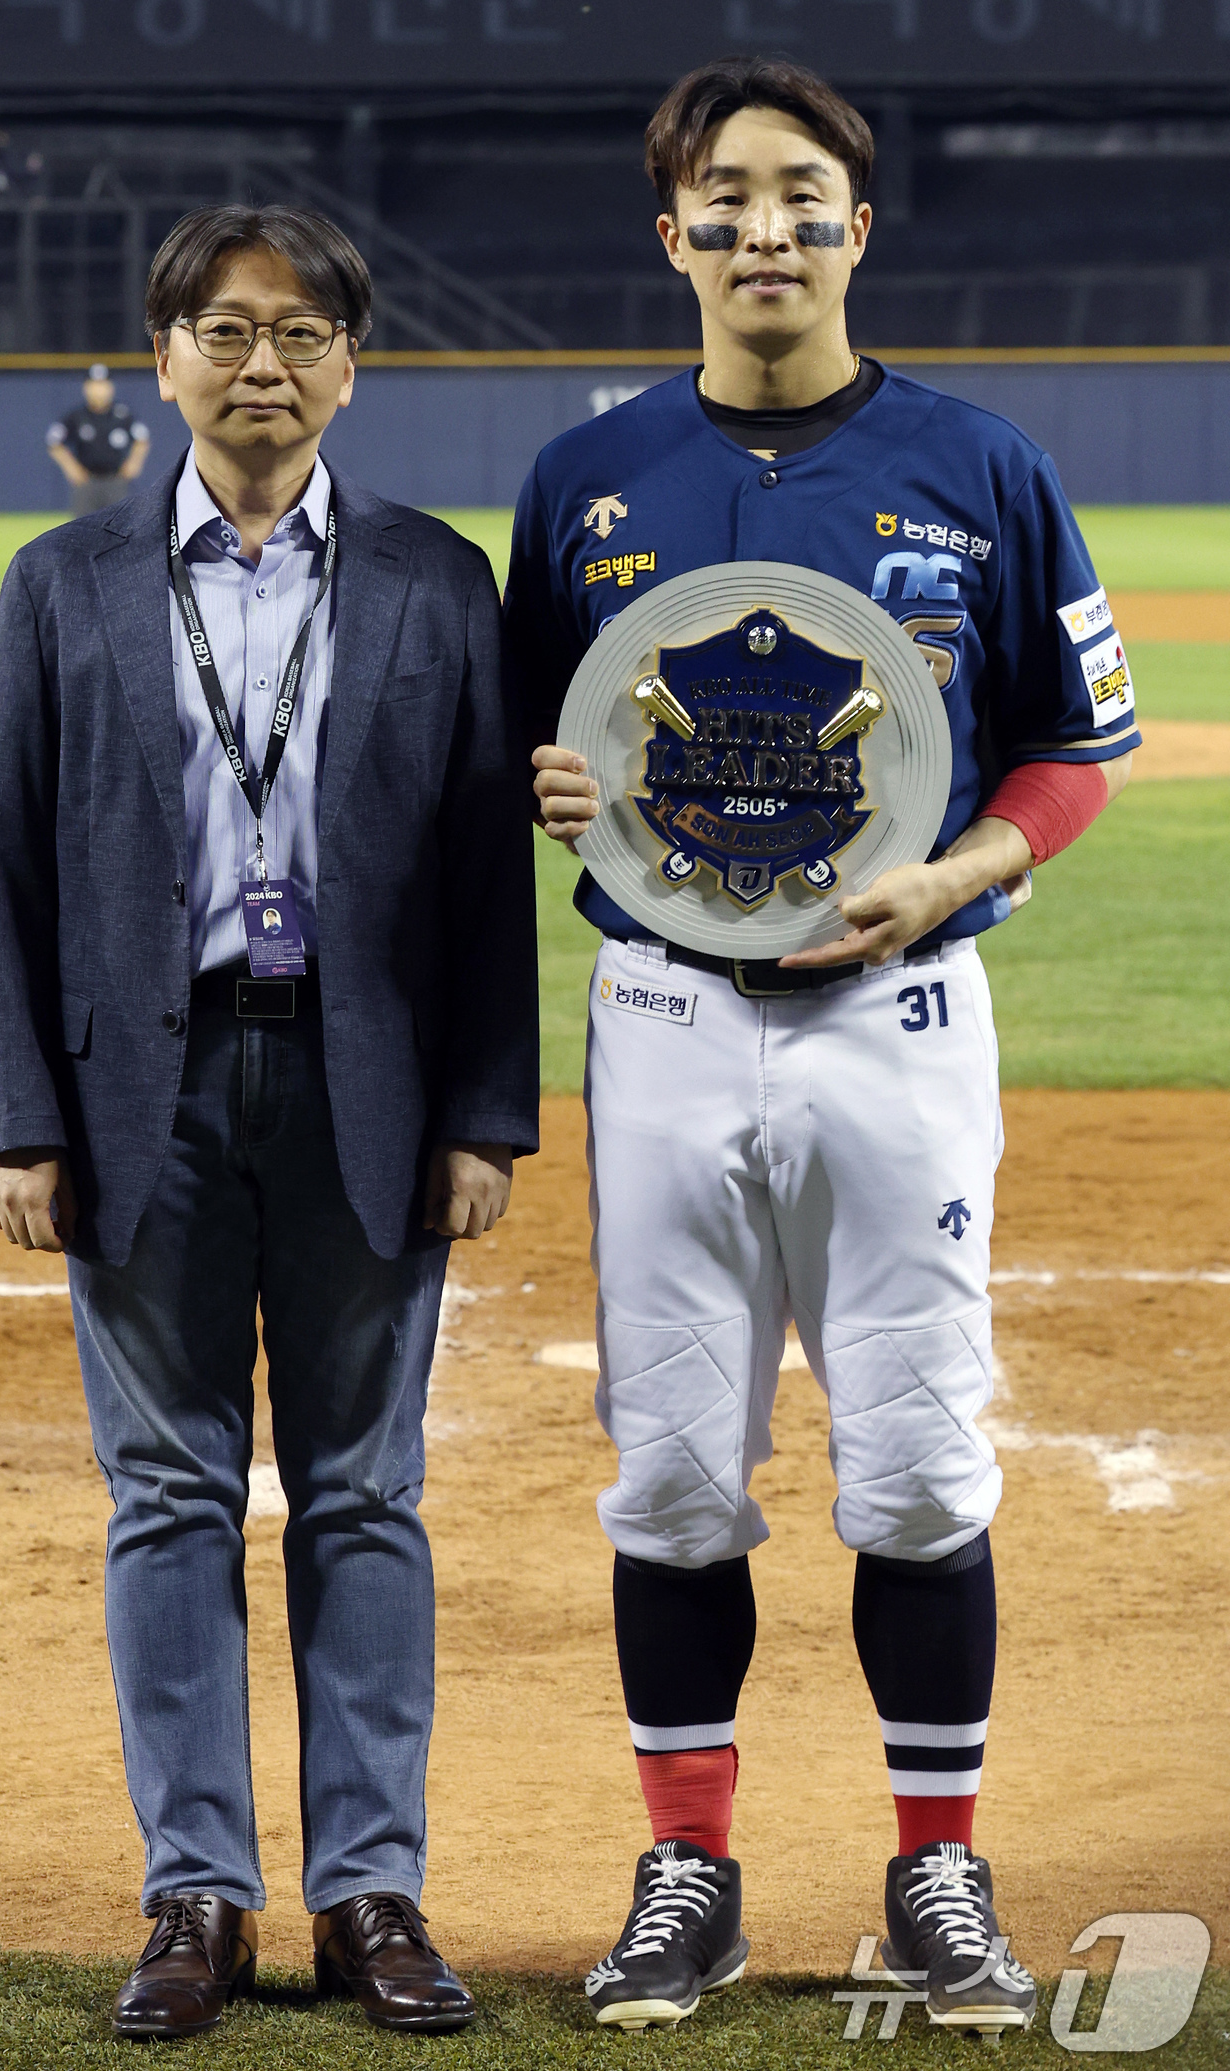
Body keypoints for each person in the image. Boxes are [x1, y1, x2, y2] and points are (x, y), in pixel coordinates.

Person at [506, 57, 1137, 2036]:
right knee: (675, 1482)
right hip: (668, 1020)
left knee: (924, 1477)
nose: (759, 226)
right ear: (672, 232)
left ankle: (931, 1874)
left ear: (857, 229)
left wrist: (956, 874)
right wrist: (538, 784)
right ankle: (684, 1872)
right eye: (724, 195)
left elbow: (1077, 748)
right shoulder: (586, 477)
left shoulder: (980, 463)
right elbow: (541, 738)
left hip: (902, 1015)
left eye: (798, 195)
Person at [0, 203, 538, 2041]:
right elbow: (6, 865)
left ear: (351, 363)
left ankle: (371, 1891)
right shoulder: (59, 584)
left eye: (300, 333)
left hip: (369, 1083)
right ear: (166, 359)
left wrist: (486, 1113)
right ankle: (193, 1897)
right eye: (225, 329)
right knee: (168, 1498)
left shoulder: (442, 582)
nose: (263, 362)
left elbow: (481, 878)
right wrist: (21, 1121)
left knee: (366, 1493)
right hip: (147, 1089)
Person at [46, 361, 151, 516]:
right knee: (82, 530)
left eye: (103, 385)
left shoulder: (122, 414)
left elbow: (142, 439)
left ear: (111, 387)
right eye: (94, 385)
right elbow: (53, 441)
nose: (99, 390)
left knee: (119, 528)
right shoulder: (77, 416)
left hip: (115, 481)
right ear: (86, 388)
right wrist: (71, 469)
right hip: (87, 482)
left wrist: (133, 464)